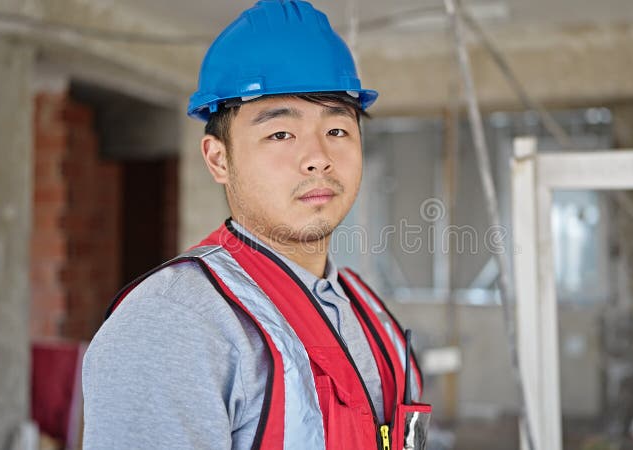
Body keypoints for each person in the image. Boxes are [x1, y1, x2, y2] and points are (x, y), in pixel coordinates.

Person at [81, 1, 431, 449]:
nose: (318, 157)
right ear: (219, 158)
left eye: (338, 130)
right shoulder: (174, 324)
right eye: (280, 133)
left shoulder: (367, 309)